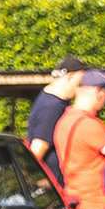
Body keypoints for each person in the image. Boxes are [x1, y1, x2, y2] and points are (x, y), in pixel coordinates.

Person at [52, 69, 105, 209]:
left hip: (75, 200)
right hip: (96, 205)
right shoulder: (88, 124)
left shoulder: (64, 121)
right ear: (98, 93)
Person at [23, 56, 83, 188]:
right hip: (52, 189)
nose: (81, 88)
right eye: (80, 82)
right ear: (70, 77)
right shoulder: (51, 107)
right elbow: (38, 148)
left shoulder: (53, 101)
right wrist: (37, 183)